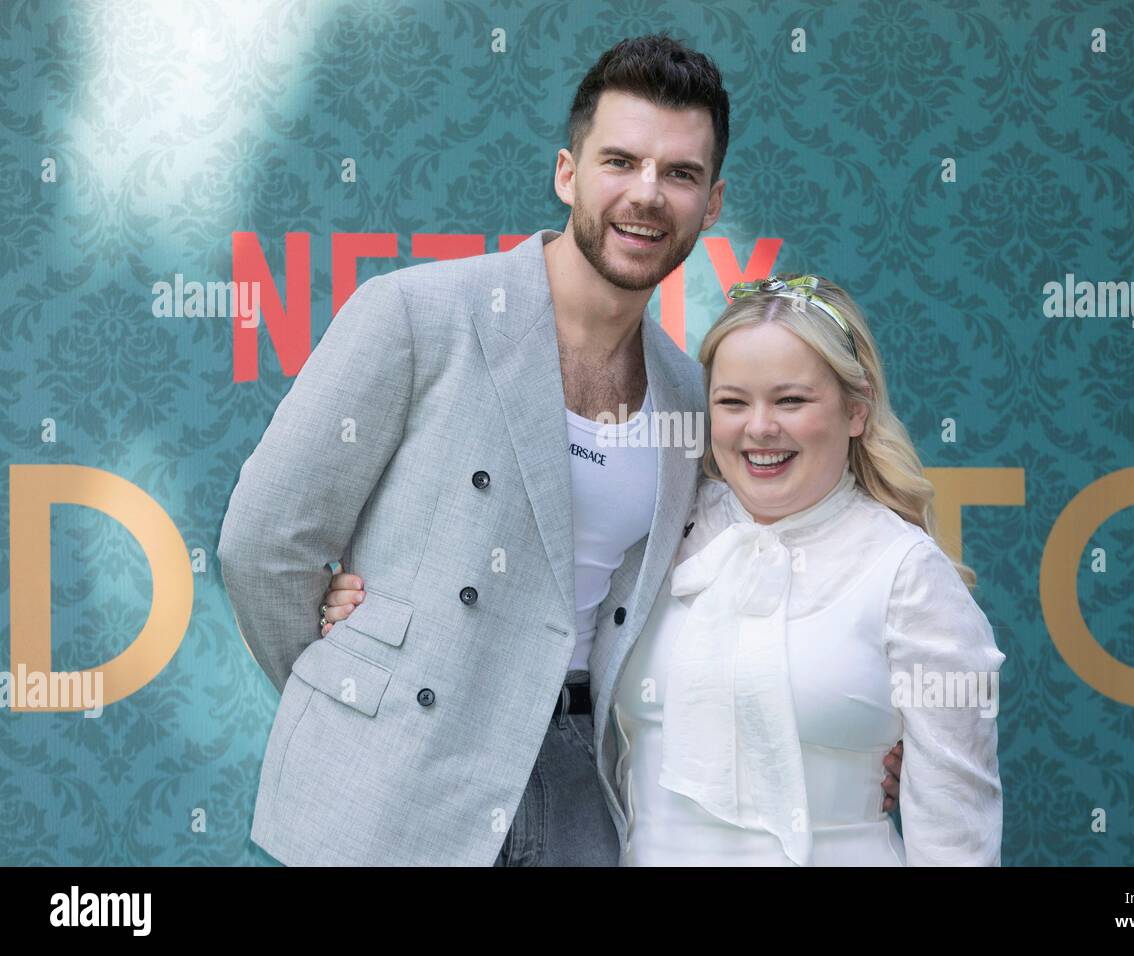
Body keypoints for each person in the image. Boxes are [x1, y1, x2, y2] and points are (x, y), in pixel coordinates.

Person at [218, 33, 905, 867]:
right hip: (391, 786)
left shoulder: (693, 394)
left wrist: (870, 720)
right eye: (621, 161)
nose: (646, 195)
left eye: (680, 174)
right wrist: (350, 687)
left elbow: (768, 571)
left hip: (580, 784)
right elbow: (264, 541)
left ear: (712, 203)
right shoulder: (418, 316)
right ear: (567, 173)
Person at [323, 273, 1005, 865]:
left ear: (856, 412)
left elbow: (956, 832)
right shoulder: (662, 531)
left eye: (792, 401)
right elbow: (522, 609)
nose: (759, 428)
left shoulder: (908, 575)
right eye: (734, 402)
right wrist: (365, 611)